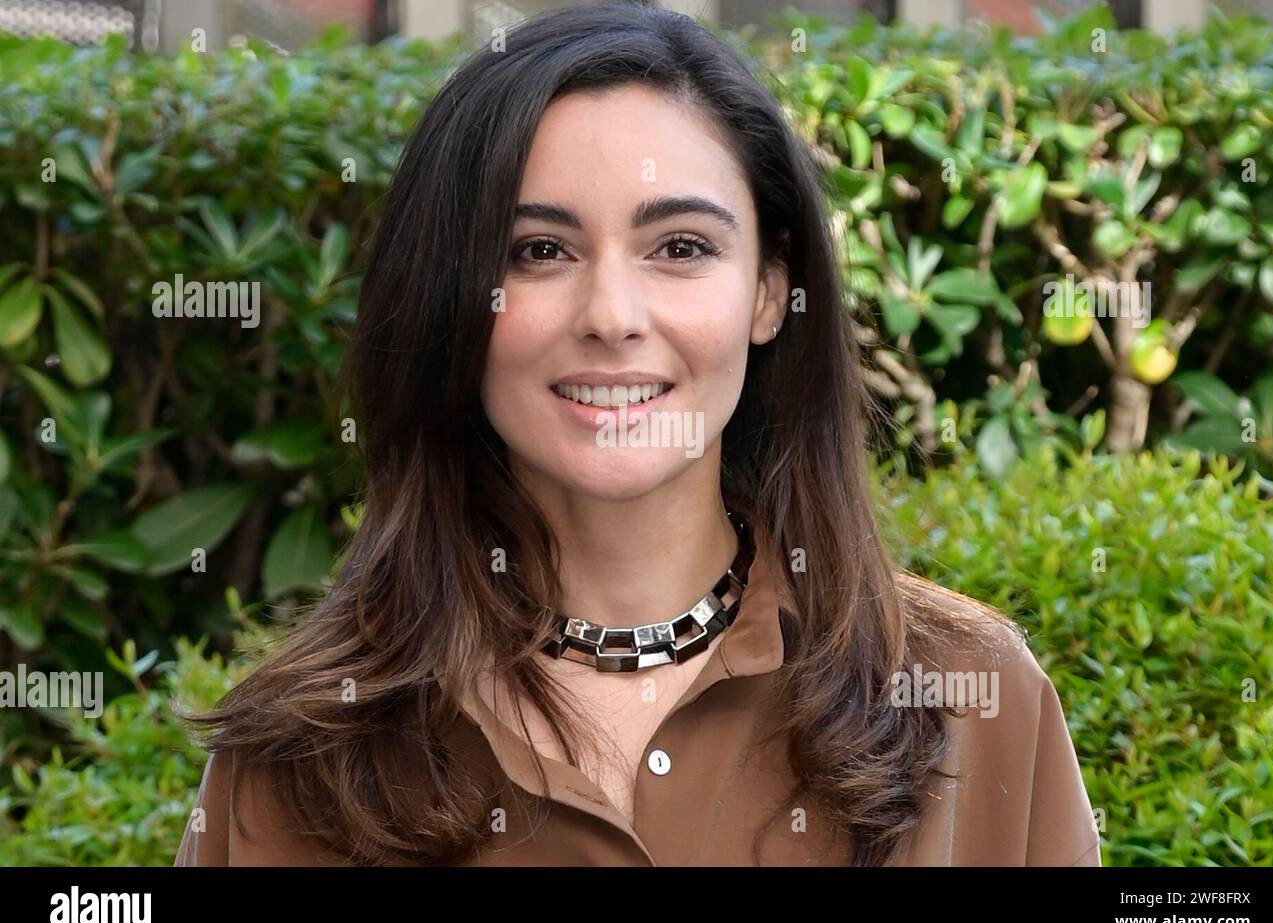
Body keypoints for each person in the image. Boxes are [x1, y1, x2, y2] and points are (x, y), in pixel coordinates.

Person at [173, 1, 1100, 867]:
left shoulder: (973, 700)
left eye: (681, 248)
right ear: (449, 299)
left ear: (771, 292)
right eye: (539, 251)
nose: (612, 315)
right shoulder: (301, 755)